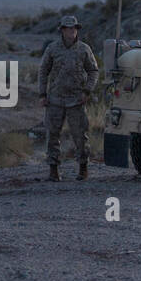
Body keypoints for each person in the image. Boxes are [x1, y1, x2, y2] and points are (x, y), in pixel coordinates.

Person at [38, 15, 99, 181]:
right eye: (68, 28)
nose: (71, 31)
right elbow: (43, 71)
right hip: (55, 99)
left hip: (76, 99)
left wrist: (87, 91)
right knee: (52, 135)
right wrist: (42, 94)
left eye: (74, 28)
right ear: (62, 30)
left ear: (77, 30)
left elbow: (93, 71)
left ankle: (83, 168)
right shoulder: (52, 49)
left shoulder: (84, 49)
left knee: (80, 136)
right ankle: (53, 170)